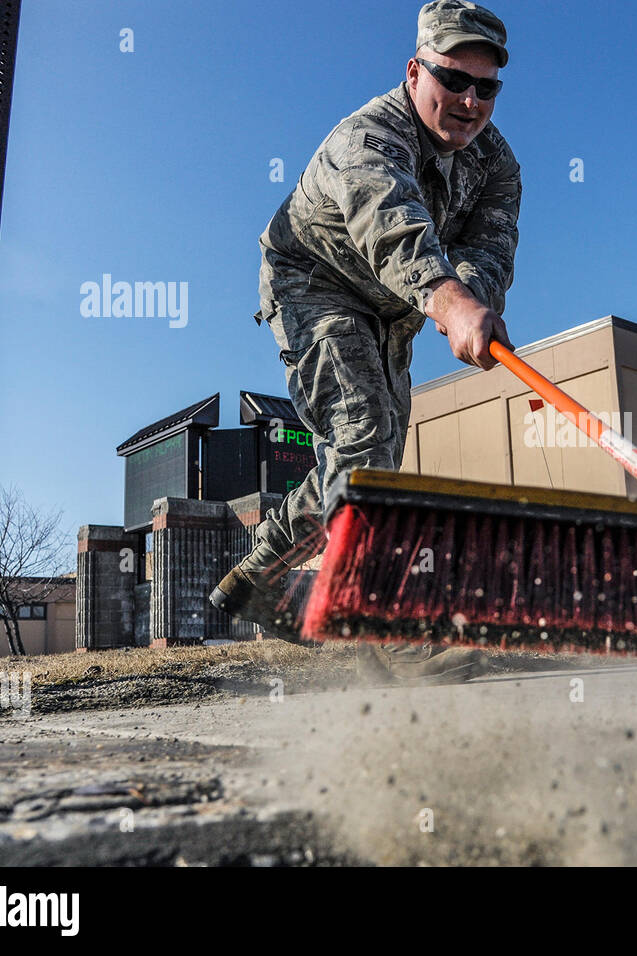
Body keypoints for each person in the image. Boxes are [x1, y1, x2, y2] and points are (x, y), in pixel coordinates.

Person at [210, 1, 520, 684]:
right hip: (317, 283)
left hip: (393, 308)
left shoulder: (495, 163)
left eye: (487, 87)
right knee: (363, 437)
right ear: (415, 72)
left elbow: (489, 248)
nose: (470, 101)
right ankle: (392, 630)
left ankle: (257, 578)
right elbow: (395, 232)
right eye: (453, 79)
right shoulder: (370, 136)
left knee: (359, 463)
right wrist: (450, 298)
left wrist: (471, 301)